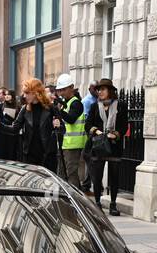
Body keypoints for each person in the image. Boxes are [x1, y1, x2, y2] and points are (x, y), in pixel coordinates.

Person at [84, 78, 129, 216]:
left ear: (110, 91)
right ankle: (97, 202)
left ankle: (113, 204)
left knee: (114, 177)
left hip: (114, 146)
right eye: (99, 89)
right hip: (99, 145)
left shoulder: (120, 105)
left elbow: (124, 125)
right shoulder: (94, 106)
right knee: (97, 177)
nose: (100, 92)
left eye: (103, 89)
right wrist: (97, 131)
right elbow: (87, 125)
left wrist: (115, 134)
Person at [11, 77, 58, 172]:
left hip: (47, 156)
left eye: (27, 93)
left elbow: (62, 130)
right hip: (29, 156)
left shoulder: (51, 108)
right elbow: (15, 129)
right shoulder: (25, 109)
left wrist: (58, 125)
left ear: (36, 93)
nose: (24, 96)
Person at [54, 73, 88, 190]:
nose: (61, 93)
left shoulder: (76, 103)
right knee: (61, 174)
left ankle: (75, 199)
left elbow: (71, 119)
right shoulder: (66, 103)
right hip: (65, 143)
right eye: (59, 90)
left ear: (71, 87)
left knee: (71, 173)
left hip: (73, 144)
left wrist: (59, 110)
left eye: (63, 89)